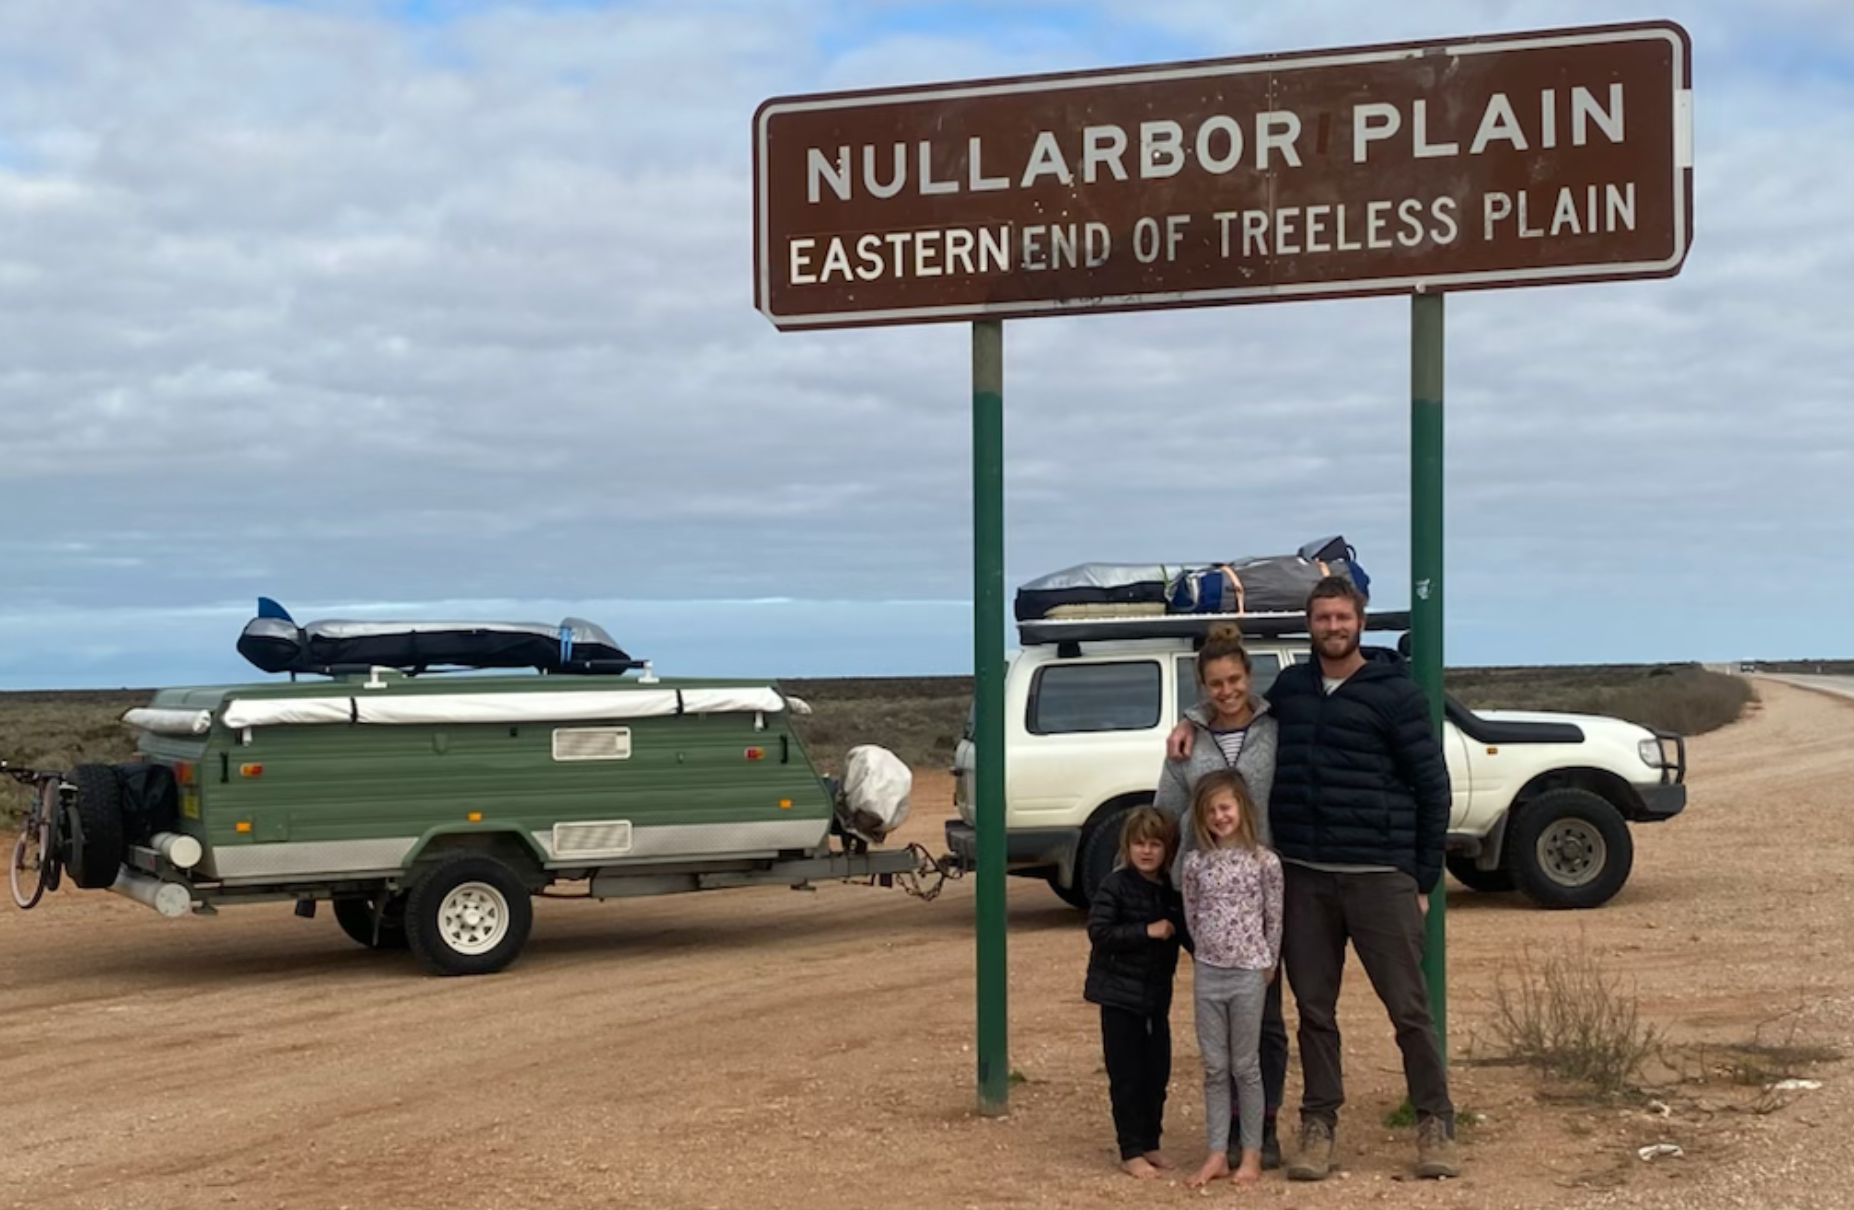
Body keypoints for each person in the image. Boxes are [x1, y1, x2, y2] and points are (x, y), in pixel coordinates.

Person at [1171, 575, 1457, 1180]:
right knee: (1315, 1013)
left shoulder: (1395, 694)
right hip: (1304, 877)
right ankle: (1318, 1125)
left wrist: (1423, 878)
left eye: (1342, 617)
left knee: (1409, 1008)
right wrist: (1190, 719)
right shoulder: (1294, 690)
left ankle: (1434, 1122)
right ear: (1310, 623)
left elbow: (1433, 788)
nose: (1333, 627)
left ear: (1360, 620)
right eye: (1322, 617)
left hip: (1380, 875)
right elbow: (1234, 703)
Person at [1151, 622, 1289, 1170]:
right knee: (1218, 1021)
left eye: (1234, 680)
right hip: (1205, 890)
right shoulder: (1187, 741)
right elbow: (1166, 807)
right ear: (1201, 685)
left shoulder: (1275, 728)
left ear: (1249, 677)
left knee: (1266, 1019)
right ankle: (1225, 1128)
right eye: (1215, 683)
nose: (1226, 691)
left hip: (1259, 885)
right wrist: (1141, 871)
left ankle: (1263, 1125)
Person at [1178, 769, 1282, 1188]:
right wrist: (1205, 951)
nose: (1220, 817)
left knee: (1246, 1065)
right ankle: (1217, 1151)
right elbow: (1192, 913)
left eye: (1226, 807)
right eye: (1211, 811)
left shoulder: (1265, 861)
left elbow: (1274, 916)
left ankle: (1252, 1153)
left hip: (1248, 972)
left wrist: (1268, 962)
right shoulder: (1195, 862)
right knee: (1214, 1067)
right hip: (1208, 970)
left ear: (1241, 808)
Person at [1083, 806, 1190, 1179]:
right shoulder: (1115, 885)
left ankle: (1150, 1141)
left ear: (1167, 850)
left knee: (1156, 1072)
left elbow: (1188, 935)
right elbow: (1099, 931)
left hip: (1156, 999)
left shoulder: (1170, 892)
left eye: (1155, 844)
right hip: (1119, 998)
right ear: (1127, 847)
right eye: (1139, 844)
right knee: (1126, 1075)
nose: (1146, 851)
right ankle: (1130, 1149)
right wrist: (1146, 931)